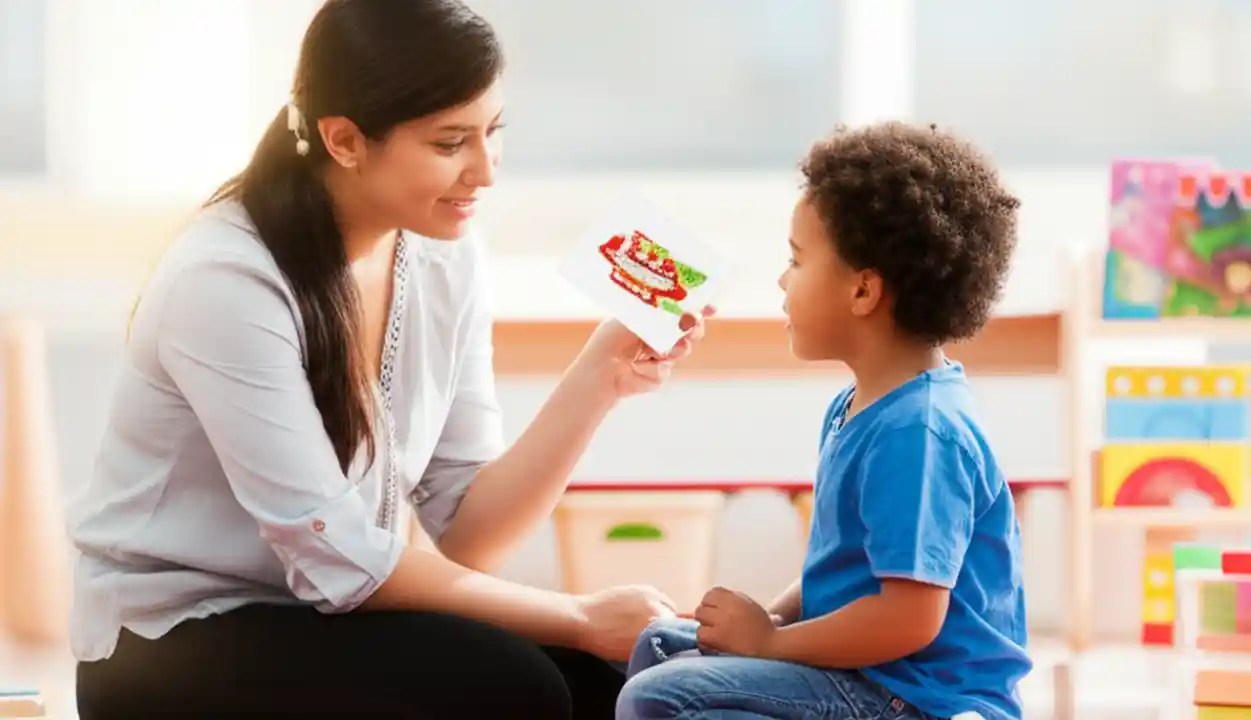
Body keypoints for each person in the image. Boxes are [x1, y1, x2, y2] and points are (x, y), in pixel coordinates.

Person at [68, 1, 711, 718]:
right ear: (344, 139)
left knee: (605, 684)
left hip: (324, 620)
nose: (486, 172)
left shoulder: (445, 253)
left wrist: (600, 377)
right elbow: (341, 561)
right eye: (449, 142)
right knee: (516, 683)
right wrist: (581, 614)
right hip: (172, 641)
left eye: (493, 132)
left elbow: (463, 536)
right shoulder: (224, 281)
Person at [616, 122, 1031, 720]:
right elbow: (841, 574)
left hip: (917, 698)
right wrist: (773, 618)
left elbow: (910, 617)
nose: (783, 279)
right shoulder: (861, 405)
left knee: (658, 695)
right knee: (661, 648)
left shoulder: (919, 432)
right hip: (868, 676)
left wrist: (770, 643)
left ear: (863, 291)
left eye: (797, 259)